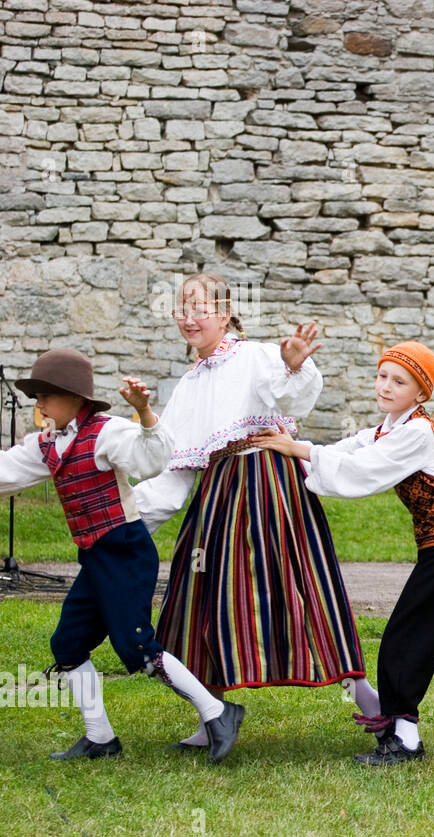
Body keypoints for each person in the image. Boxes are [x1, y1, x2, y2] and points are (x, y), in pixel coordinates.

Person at [251, 341, 434, 764]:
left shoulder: (416, 431)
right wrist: (296, 446)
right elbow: (353, 449)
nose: (385, 386)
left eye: (399, 381)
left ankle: (405, 738)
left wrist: (300, 450)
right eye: (382, 376)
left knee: (406, 632)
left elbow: (365, 470)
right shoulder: (390, 426)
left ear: (420, 395)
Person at [134, 272, 375, 750]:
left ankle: (372, 702)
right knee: (200, 599)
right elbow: (175, 469)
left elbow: (289, 395)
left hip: (269, 486)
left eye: (198, 307)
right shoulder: (188, 384)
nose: (188, 318)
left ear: (224, 312)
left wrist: (291, 366)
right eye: (181, 309)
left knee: (302, 591)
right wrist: (127, 519)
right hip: (218, 496)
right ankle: (214, 714)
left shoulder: (256, 356)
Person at [2, 349, 241, 762]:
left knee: (136, 646)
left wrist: (145, 412)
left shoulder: (107, 432)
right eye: (36, 395)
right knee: (69, 643)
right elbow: (7, 470)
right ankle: (101, 739)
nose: (38, 404)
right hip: (96, 558)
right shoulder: (50, 445)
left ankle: (219, 712)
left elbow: (153, 458)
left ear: (76, 399)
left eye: (46, 395)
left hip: (126, 552)